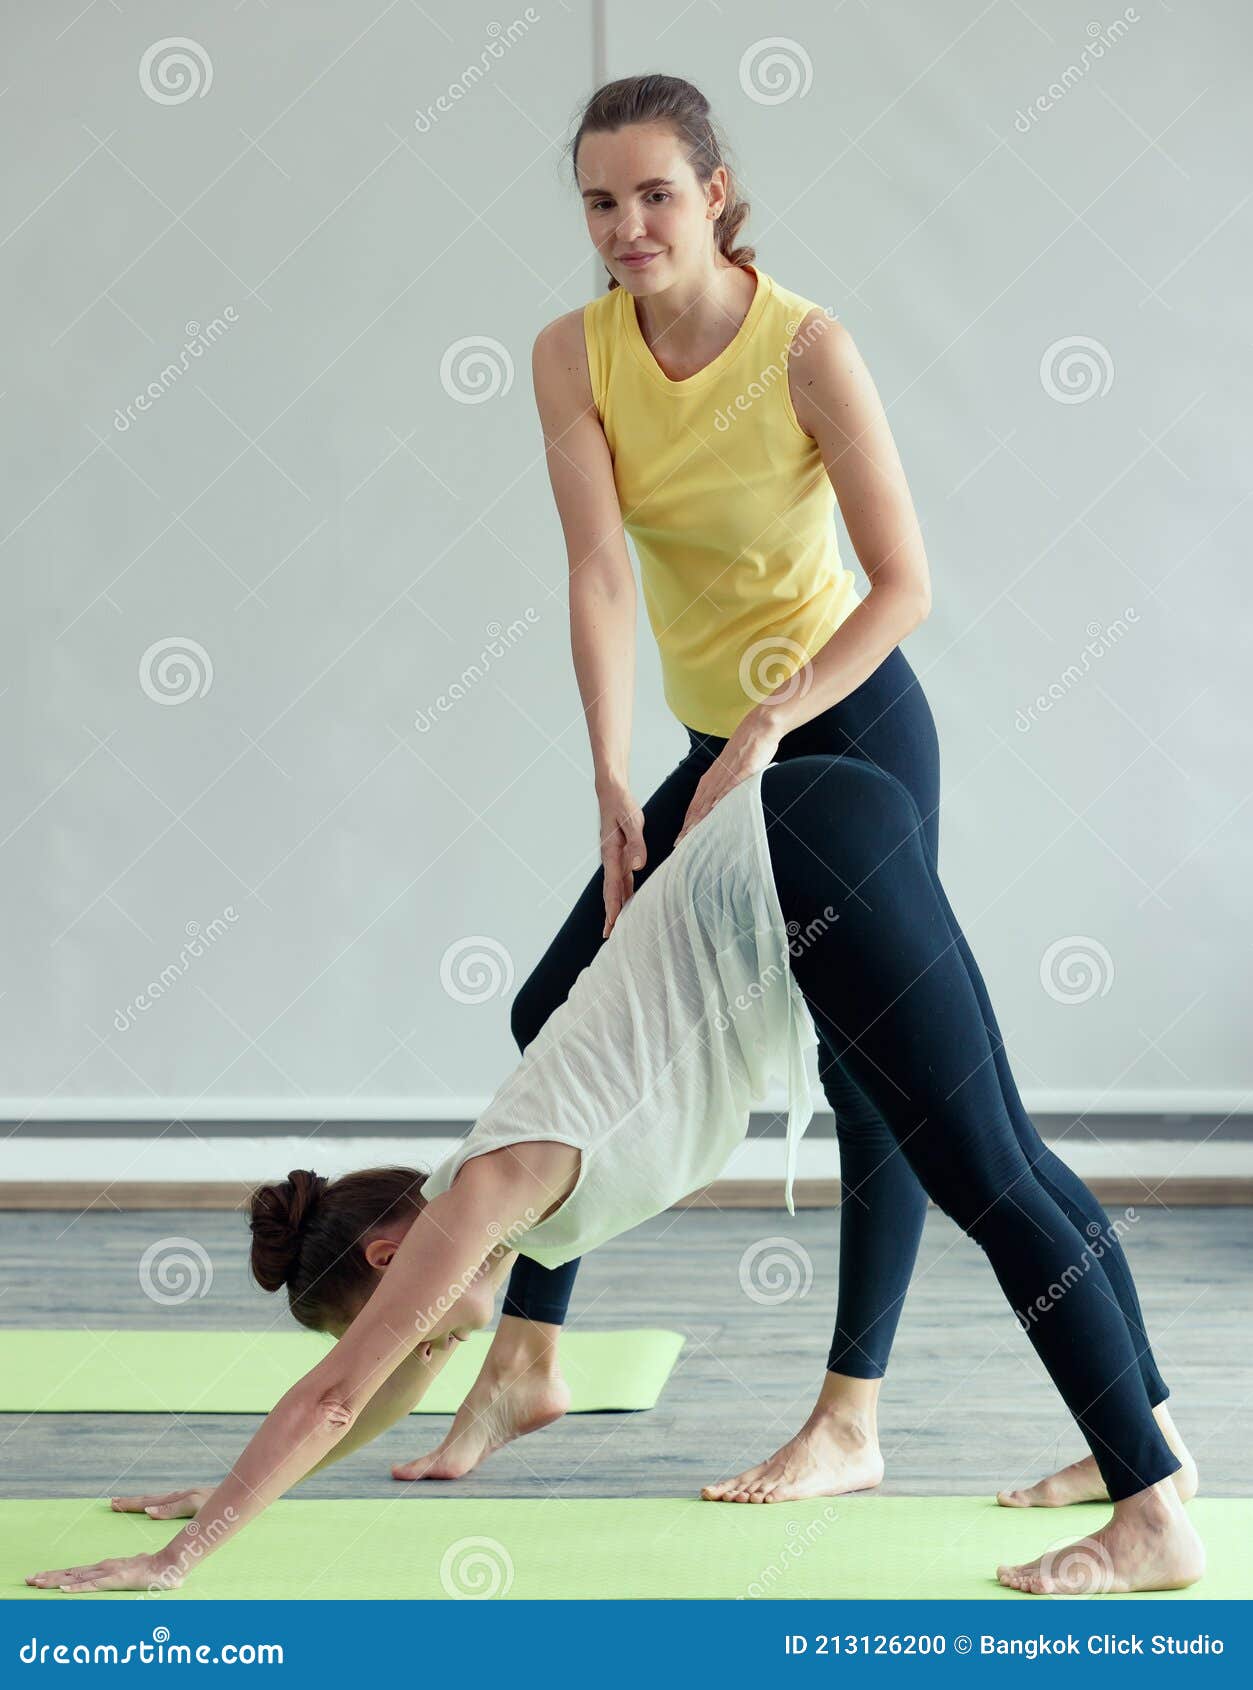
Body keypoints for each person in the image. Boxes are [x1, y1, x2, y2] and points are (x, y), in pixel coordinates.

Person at [409, 72, 1195, 1518]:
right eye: (599, 202)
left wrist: (767, 717)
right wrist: (608, 772)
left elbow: (903, 586)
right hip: (719, 752)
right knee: (555, 1008)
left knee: (893, 1093)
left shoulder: (806, 349)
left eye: (655, 193)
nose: (628, 225)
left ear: (714, 192)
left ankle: (853, 1414)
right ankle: (530, 1347)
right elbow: (595, 570)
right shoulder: (572, 353)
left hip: (846, 734)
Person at [27, 757, 1204, 1595]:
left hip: (801, 853)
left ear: (390, 1258)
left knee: (987, 1182)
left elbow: (340, 1387)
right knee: (1010, 1164)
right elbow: (367, 1396)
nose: (430, 1351)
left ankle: (1148, 1515)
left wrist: (181, 1560)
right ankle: (1151, 1450)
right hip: (819, 826)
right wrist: (235, 1489)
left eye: (415, 1331)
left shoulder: (486, 1190)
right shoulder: (484, 1205)